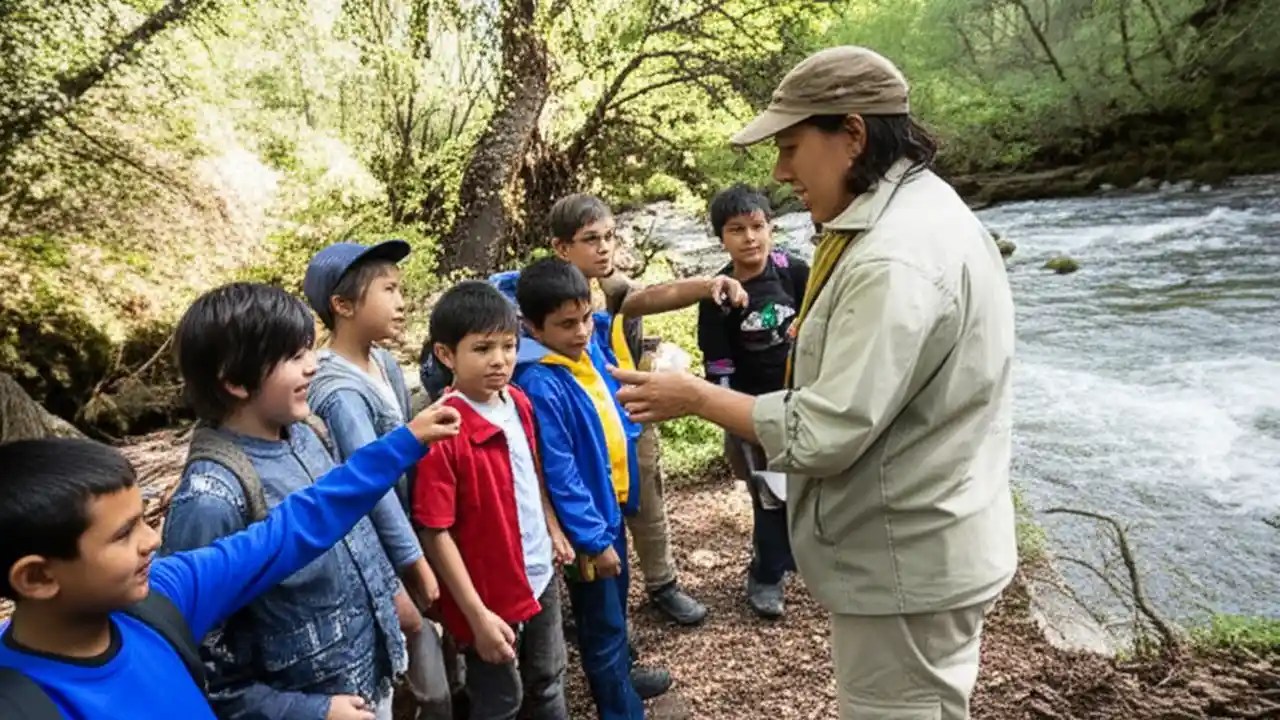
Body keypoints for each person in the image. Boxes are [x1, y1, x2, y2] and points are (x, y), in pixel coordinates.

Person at [610, 46, 1018, 720]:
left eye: (793, 146)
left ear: (853, 134)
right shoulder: (917, 211)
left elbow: (826, 431)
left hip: (907, 562)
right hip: (928, 541)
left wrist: (695, 398)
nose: (780, 171)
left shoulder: (894, 255)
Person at [0, 397, 462, 719]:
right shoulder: (24, 703)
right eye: (123, 535)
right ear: (38, 577)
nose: (153, 542)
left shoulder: (161, 598)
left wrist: (403, 443)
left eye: (143, 520)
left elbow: (289, 531)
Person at [159, 282, 426, 720]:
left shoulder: (309, 432)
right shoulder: (212, 500)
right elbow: (203, 669)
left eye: (310, 350)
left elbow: (350, 525)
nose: (313, 367)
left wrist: (389, 591)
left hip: (366, 681)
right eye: (294, 357)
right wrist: (312, 711)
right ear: (234, 381)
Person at [512, 258, 672, 719]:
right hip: (590, 528)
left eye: (584, 318)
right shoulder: (541, 380)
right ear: (532, 327)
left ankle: (621, 682)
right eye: (566, 324)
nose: (582, 330)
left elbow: (615, 315)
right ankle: (619, 709)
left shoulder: (583, 353)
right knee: (600, 626)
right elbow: (560, 472)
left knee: (612, 614)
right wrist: (594, 541)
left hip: (610, 508)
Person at [303, 240, 453, 718]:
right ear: (343, 306)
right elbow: (373, 489)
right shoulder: (340, 391)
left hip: (416, 531)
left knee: (440, 653)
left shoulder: (384, 363)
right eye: (388, 290)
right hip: (386, 555)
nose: (402, 302)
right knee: (421, 671)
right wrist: (415, 564)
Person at [414, 281, 576, 720]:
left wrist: (552, 528)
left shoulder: (517, 401)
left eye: (508, 346)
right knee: (500, 698)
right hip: (487, 593)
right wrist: (476, 616)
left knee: (547, 677)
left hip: (538, 572)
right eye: (482, 348)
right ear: (446, 355)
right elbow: (435, 530)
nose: (499, 360)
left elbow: (531, 474)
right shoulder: (442, 429)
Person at [696, 184, 809, 619]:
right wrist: (732, 418)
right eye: (737, 229)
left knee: (809, 483)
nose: (750, 238)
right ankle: (766, 574)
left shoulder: (794, 272)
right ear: (721, 238)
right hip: (753, 409)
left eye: (758, 226)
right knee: (768, 494)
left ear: (771, 227)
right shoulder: (718, 296)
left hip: (802, 399)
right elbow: (718, 364)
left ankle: (805, 557)